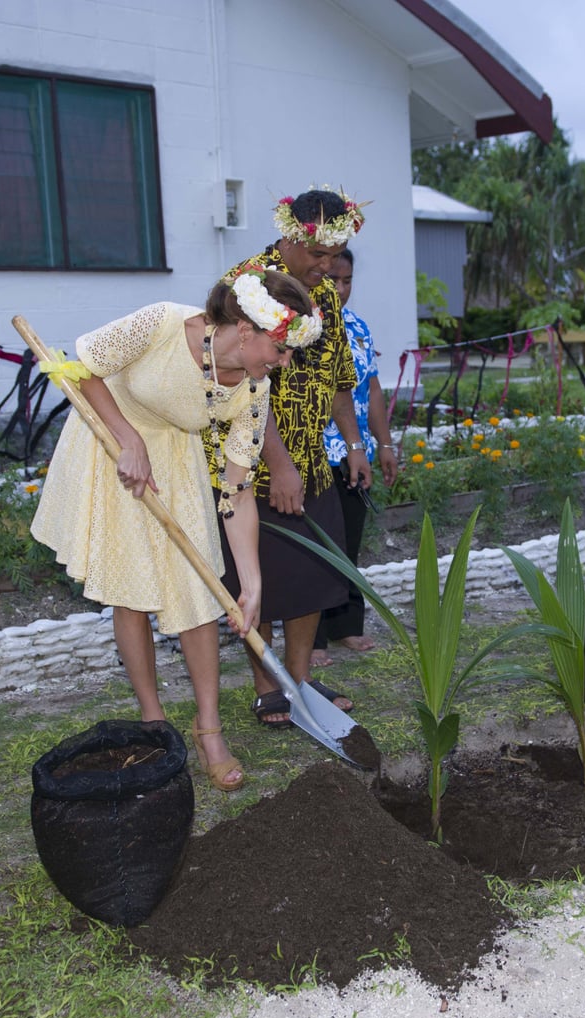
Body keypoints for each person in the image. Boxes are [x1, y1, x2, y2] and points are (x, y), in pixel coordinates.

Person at [32, 268, 320, 791]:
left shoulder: (255, 389)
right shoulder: (163, 323)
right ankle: (154, 723)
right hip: (112, 441)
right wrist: (128, 440)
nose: (284, 363)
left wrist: (251, 584)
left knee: (199, 593)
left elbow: (237, 491)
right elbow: (84, 368)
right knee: (131, 588)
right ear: (246, 328)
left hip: (176, 459)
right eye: (280, 349)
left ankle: (209, 731)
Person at [209, 188, 370, 726]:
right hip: (251, 464)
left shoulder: (325, 294)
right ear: (290, 234)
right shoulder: (246, 285)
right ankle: (269, 686)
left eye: (335, 256)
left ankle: (300, 681)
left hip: (313, 459)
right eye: (318, 254)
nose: (327, 266)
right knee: (261, 577)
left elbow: (340, 378)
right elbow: (245, 385)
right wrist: (279, 465)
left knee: (311, 577)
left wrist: (353, 445)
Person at [310, 248, 399, 668]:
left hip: (354, 454)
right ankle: (312, 638)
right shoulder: (303, 327)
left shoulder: (359, 327)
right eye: (334, 280)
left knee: (347, 541)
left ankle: (345, 625)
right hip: (315, 454)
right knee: (315, 545)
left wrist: (384, 444)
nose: (341, 289)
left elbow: (372, 389)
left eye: (347, 281)